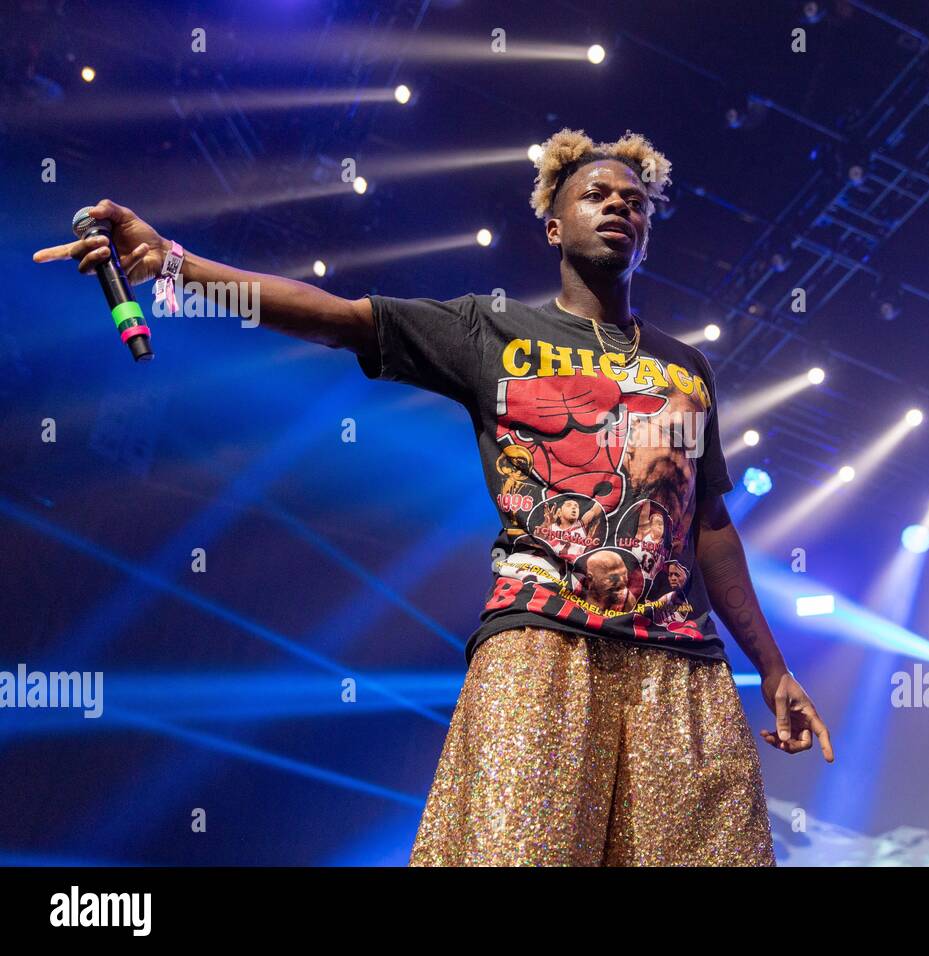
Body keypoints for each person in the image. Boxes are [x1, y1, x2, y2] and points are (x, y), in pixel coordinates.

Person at [33, 126, 834, 866]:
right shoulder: (493, 332)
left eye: (633, 201)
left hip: (679, 661)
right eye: (596, 195)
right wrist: (174, 264)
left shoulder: (685, 370)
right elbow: (339, 318)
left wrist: (772, 668)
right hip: (544, 642)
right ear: (553, 226)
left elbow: (709, 523)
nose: (619, 207)